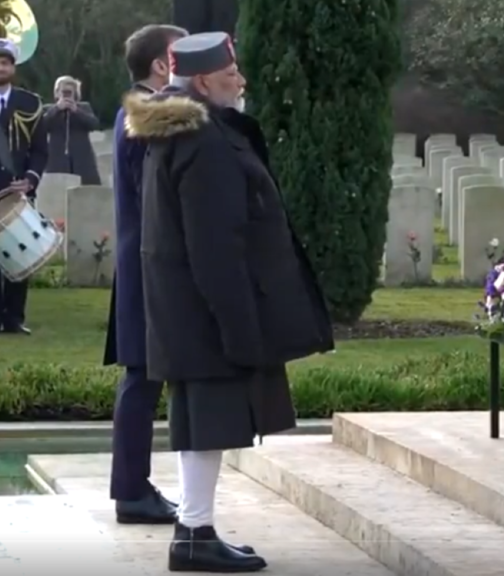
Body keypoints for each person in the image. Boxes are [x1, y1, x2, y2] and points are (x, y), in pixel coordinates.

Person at [123, 32, 335, 572]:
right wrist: (239, 325)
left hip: (185, 310)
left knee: (202, 421)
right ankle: (193, 533)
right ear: (201, 80)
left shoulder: (179, 134)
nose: (240, 80)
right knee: (206, 417)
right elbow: (215, 244)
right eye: (231, 72)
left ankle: (194, 530)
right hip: (204, 311)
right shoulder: (203, 141)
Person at [103, 24, 187, 525]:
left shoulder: (136, 109)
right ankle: (131, 491)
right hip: (147, 264)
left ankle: (134, 485)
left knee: (144, 378)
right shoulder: (146, 114)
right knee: (141, 379)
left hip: (142, 261)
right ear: (161, 65)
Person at [0, 39, 47, 335]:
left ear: (13, 68)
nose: (0, 67)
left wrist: (29, 179)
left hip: (19, 192)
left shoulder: (30, 103)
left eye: (5, 62)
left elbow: (40, 149)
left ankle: (14, 318)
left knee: (21, 253)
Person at [43, 75, 101, 184]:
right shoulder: (48, 109)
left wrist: (76, 111)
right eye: (63, 91)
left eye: (70, 92)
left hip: (82, 158)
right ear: (57, 93)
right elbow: (41, 126)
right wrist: (57, 109)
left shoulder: (84, 107)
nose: (67, 95)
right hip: (56, 158)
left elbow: (94, 124)